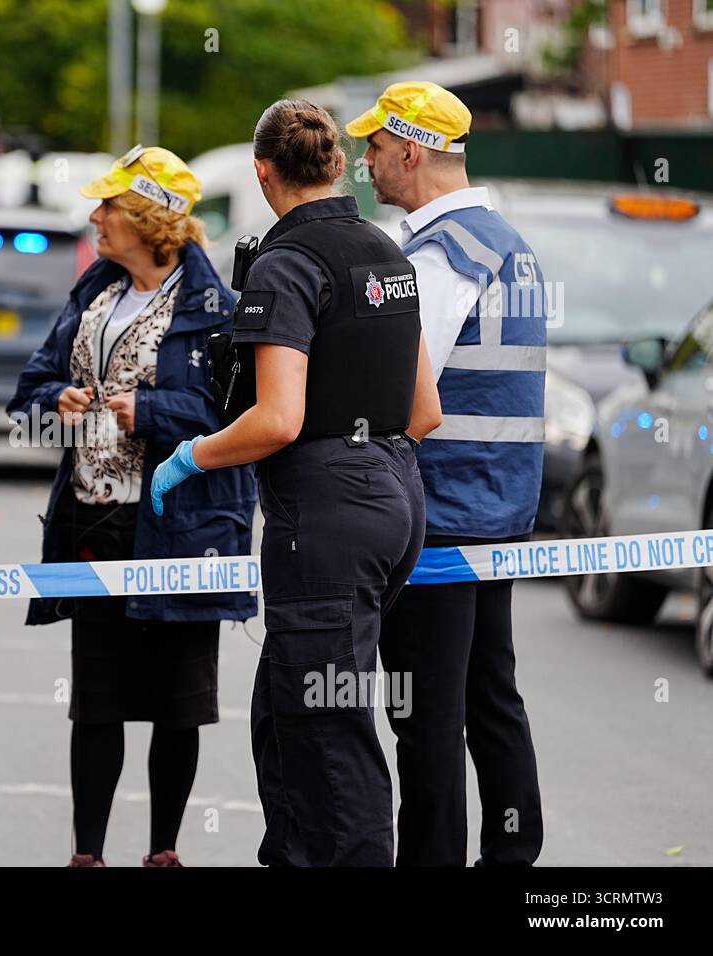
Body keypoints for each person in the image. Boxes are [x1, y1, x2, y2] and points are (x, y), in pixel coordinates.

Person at [150, 100, 442, 866]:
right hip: (395, 491)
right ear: (338, 164)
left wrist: (193, 456)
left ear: (262, 171)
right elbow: (426, 411)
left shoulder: (285, 265)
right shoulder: (386, 251)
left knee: (328, 731)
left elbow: (278, 419)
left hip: (327, 510)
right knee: (286, 710)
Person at [8, 146, 256, 868]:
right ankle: (87, 855)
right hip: (95, 520)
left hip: (183, 529)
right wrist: (53, 398)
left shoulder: (218, 309)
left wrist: (148, 410)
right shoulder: (94, 292)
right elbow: (30, 388)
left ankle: (164, 851)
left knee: (180, 703)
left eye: (109, 206)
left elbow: (238, 416)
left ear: (149, 218)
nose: (95, 217)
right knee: (97, 701)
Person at [347, 81, 546, 866]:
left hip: (440, 513)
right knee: (489, 694)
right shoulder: (504, 241)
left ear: (410, 150)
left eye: (373, 147)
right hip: (497, 507)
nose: (365, 162)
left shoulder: (440, 256)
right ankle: (513, 854)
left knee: (427, 714)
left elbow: (401, 390)